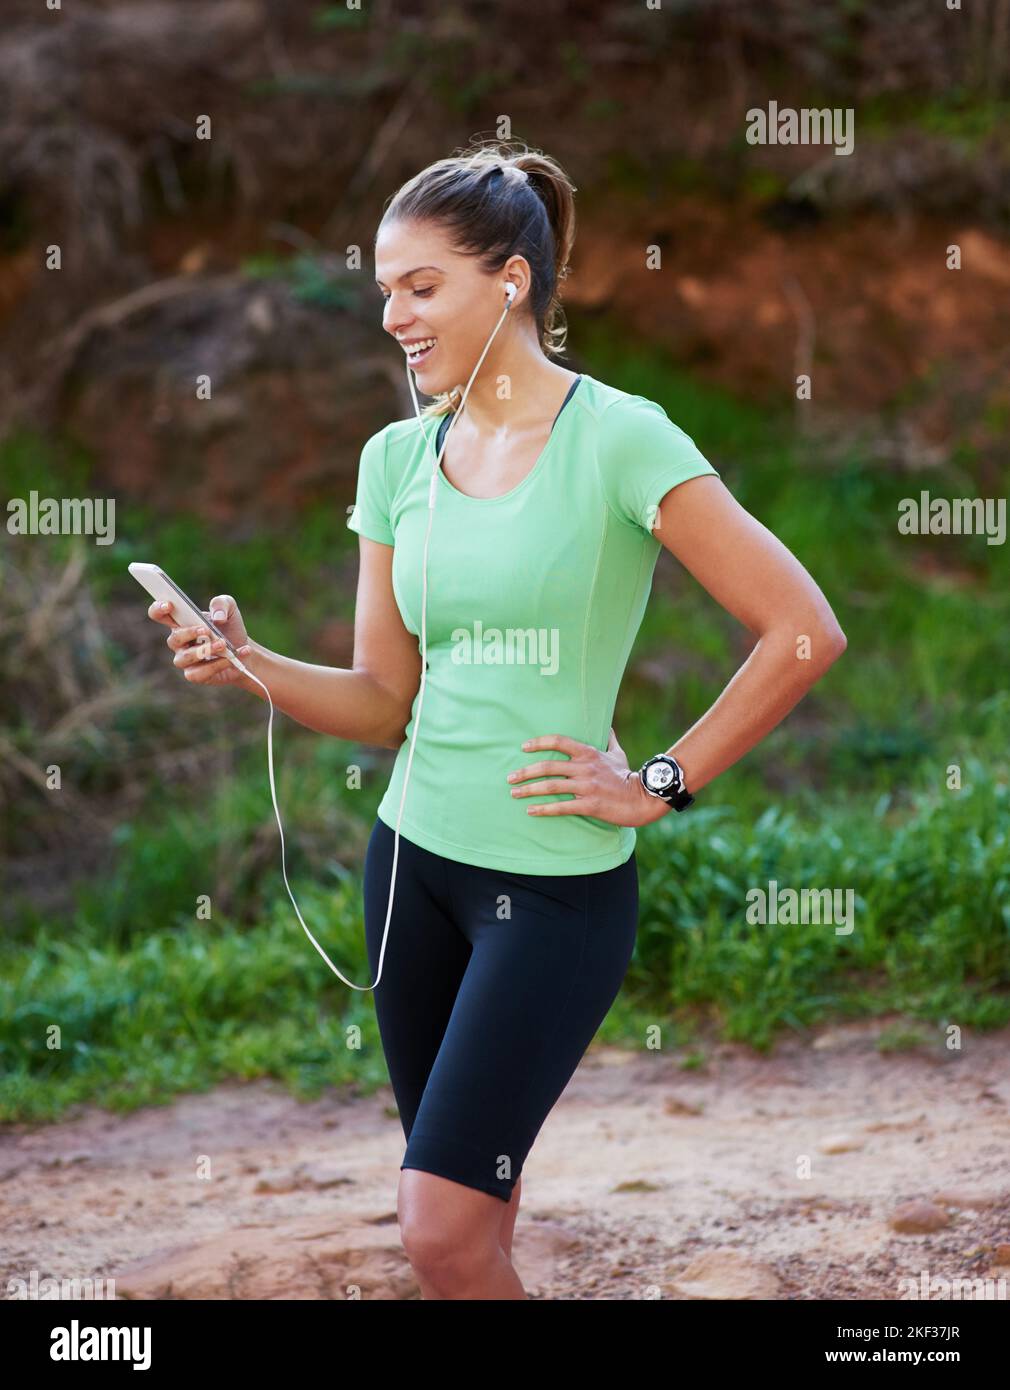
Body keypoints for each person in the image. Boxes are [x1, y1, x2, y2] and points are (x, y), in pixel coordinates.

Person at [146, 141, 846, 1300]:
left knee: (436, 1232)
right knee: (480, 1213)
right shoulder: (394, 459)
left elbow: (803, 629)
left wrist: (662, 779)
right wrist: (250, 664)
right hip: (408, 870)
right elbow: (384, 701)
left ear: (510, 279)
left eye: (420, 287)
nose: (391, 316)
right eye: (383, 290)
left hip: (553, 890)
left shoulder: (622, 438)